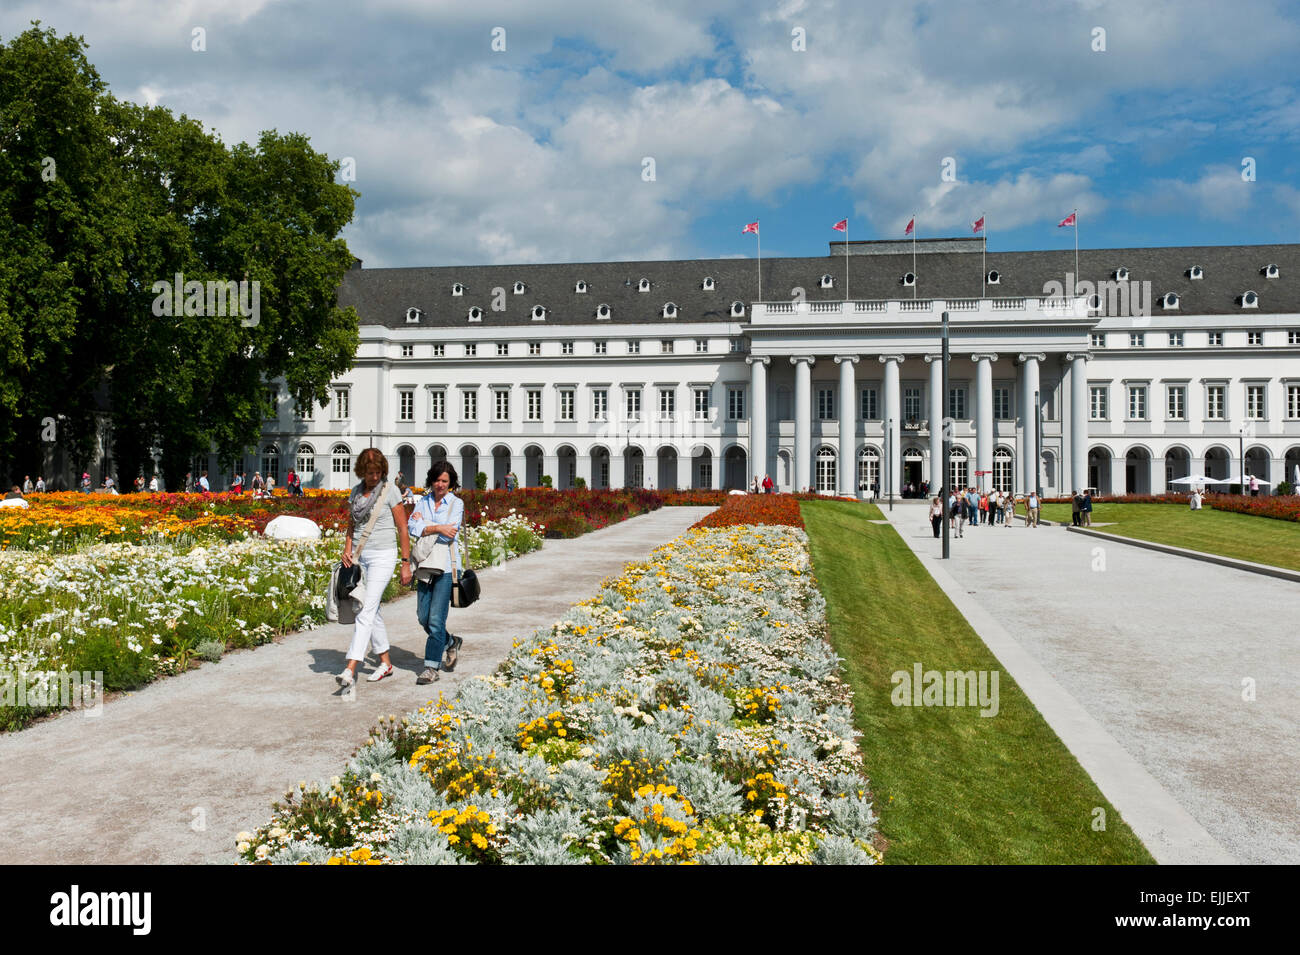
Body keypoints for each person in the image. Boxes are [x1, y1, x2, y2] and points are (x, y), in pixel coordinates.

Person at [337, 448, 412, 689]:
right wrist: (347, 549)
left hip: (383, 555)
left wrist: (405, 563)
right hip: (360, 557)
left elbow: (403, 529)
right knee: (371, 609)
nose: (375, 477)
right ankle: (386, 662)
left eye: (379, 472)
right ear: (362, 471)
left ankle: (350, 668)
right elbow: (351, 525)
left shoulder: (390, 491)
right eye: (370, 473)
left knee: (365, 609)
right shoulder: (356, 492)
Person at [408, 460, 465, 685]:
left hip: (447, 564)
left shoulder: (456, 503)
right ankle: (451, 642)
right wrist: (438, 526)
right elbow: (412, 528)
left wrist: (428, 526)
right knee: (423, 617)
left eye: (445, 481)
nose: (440, 485)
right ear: (431, 480)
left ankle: (431, 667)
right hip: (425, 562)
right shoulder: (423, 501)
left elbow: (450, 533)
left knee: (435, 618)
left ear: (451, 483)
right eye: (437, 480)